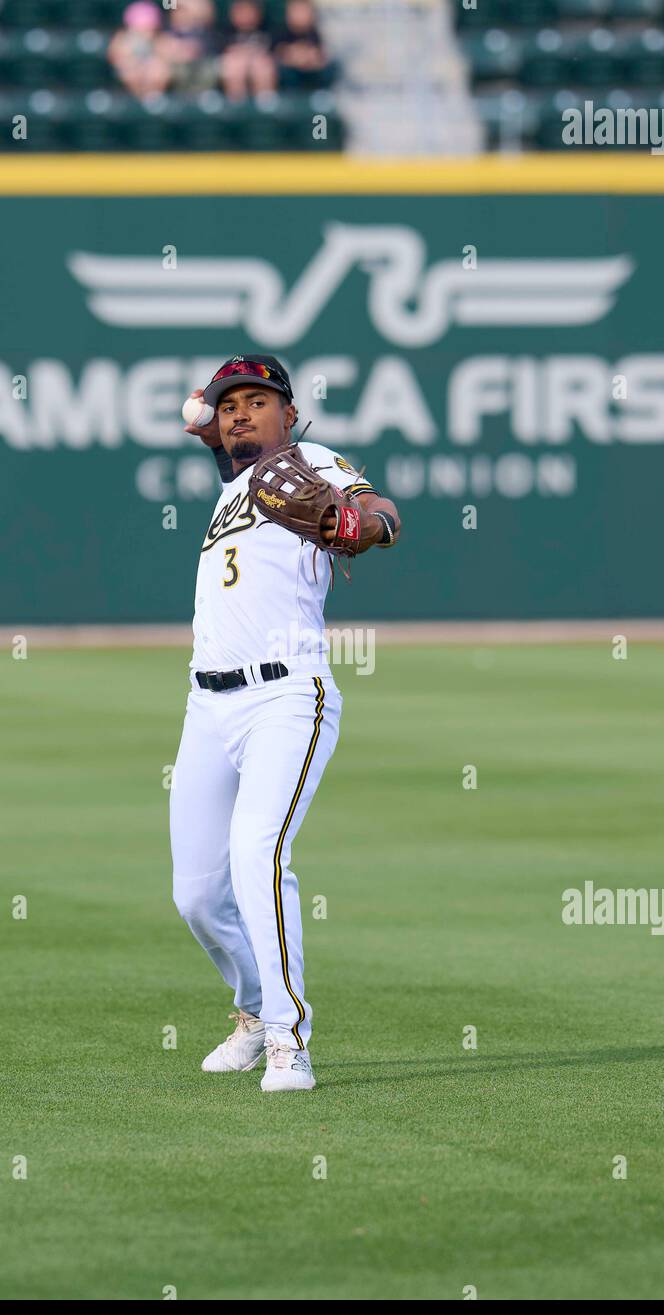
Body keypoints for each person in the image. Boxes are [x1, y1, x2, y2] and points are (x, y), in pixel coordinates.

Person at [170, 357, 401, 1092]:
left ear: (289, 413)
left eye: (255, 401)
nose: (239, 414)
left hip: (285, 696)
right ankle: (250, 1009)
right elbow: (226, 450)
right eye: (228, 404)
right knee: (197, 895)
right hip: (206, 706)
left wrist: (357, 522)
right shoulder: (239, 483)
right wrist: (205, 429)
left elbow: (383, 516)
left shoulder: (312, 461)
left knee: (259, 852)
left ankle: (287, 1037)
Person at [108, 1, 170, 101]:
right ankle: (137, 99)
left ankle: (152, 100)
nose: (144, 32)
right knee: (128, 70)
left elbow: (165, 60)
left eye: (149, 28)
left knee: (158, 70)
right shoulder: (122, 39)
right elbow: (115, 56)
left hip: (151, 76)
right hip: (131, 74)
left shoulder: (160, 41)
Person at [159, 0, 219, 97]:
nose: (182, 15)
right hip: (175, 59)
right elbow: (167, 6)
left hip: (203, 59)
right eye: (179, 11)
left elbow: (208, 15)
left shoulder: (202, 32)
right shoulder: (170, 32)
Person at [219, 0, 276, 102]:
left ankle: (265, 106)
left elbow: (274, 51)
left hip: (259, 66)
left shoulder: (268, 31)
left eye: (249, 10)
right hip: (236, 67)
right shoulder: (225, 33)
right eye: (241, 10)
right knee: (233, 65)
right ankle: (237, 106)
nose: (245, 15)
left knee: (262, 66)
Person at [272, 0, 334, 91]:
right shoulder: (281, 33)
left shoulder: (315, 34)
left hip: (311, 76)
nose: (299, 15)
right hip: (288, 80)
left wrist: (308, 58)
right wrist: (292, 56)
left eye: (303, 11)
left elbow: (320, 56)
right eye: (295, 11)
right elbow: (277, 54)